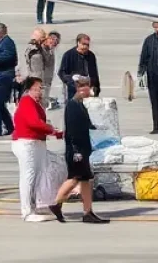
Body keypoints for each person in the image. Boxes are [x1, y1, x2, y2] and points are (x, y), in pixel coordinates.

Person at [50, 75, 109, 224]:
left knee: (85, 179)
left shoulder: (80, 104)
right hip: (76, 150)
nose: (90, 89)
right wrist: (77, 151)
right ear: (81, 89)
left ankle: (88, 212)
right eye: (87, 87)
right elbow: (73, 130)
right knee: (75, 178)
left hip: (82, 149)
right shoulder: (73, 106)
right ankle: (56, 203)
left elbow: (85, 125)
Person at [11, 76, 61, 222]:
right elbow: (34, 122)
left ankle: (34, 206)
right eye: (39, 88)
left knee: (37, 176)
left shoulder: (35, 103)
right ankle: (26, 211)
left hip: (36, 143)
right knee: (29, 176)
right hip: (27, 143)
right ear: (30, 89)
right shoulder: (27, 101)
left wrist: (51, 131)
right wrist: (52, 130)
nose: (41, 91)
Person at [58, 33, 100, 101]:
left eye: (87, 45)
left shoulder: (91, 55)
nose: (85, 47)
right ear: (78, 43)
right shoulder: (68, 55)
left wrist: (96, 89)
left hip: (87, 88)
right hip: (73, 89)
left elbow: (95, 74)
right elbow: (61, 73)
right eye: (83, 44)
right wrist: (72, 81)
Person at [44, 32, 62, 110]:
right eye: (52, 39)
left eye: (56, 41)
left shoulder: (51, 50)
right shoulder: (42, 50)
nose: (54, 42)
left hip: (48, 78)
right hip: (41, 79)